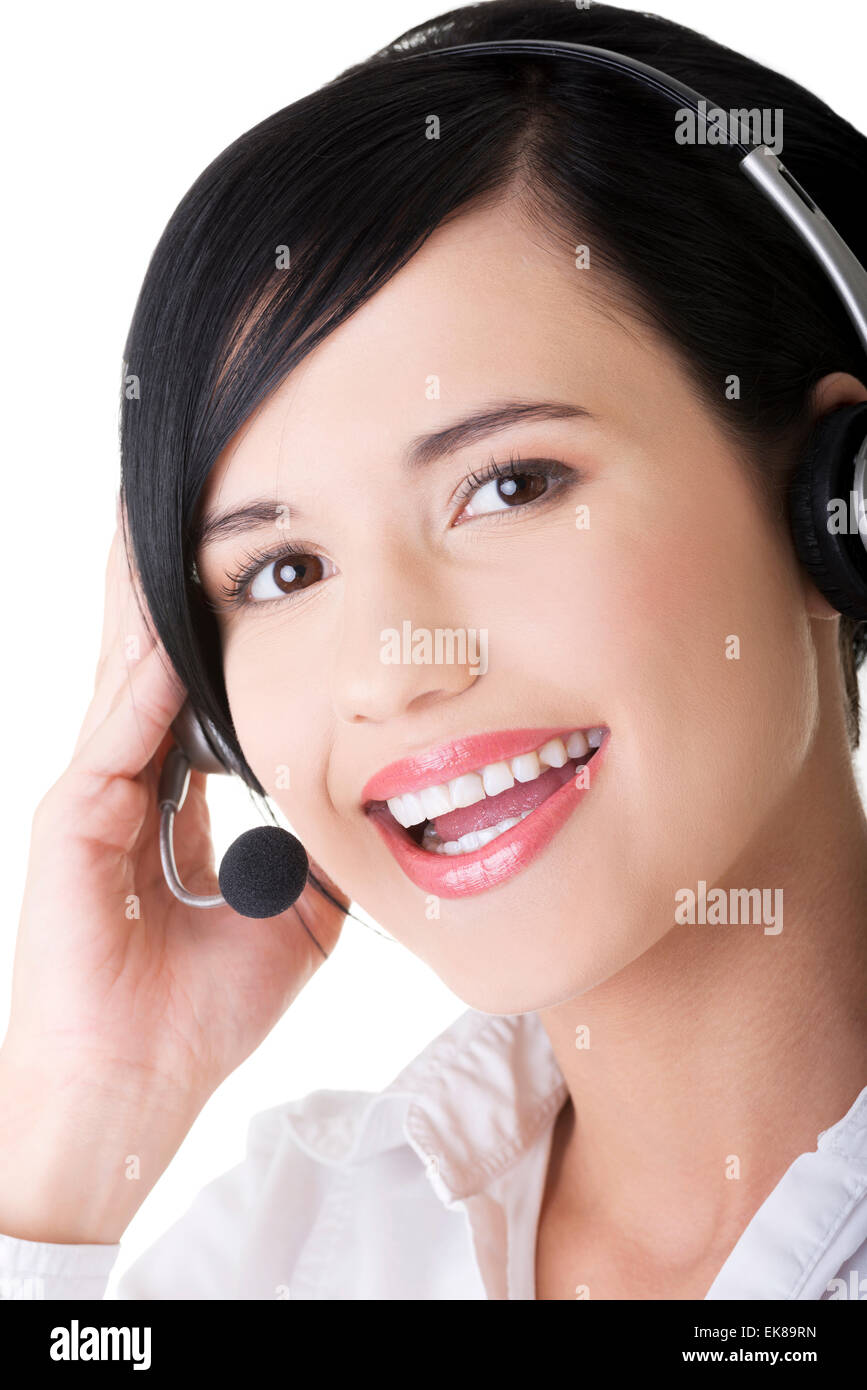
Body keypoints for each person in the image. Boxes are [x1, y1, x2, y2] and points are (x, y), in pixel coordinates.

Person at [2, 0, 867, 1301]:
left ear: (835, 505)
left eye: (509, 484)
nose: (392, 665)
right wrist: (75, 1141)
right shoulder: (285, 1246)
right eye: (282, 569)